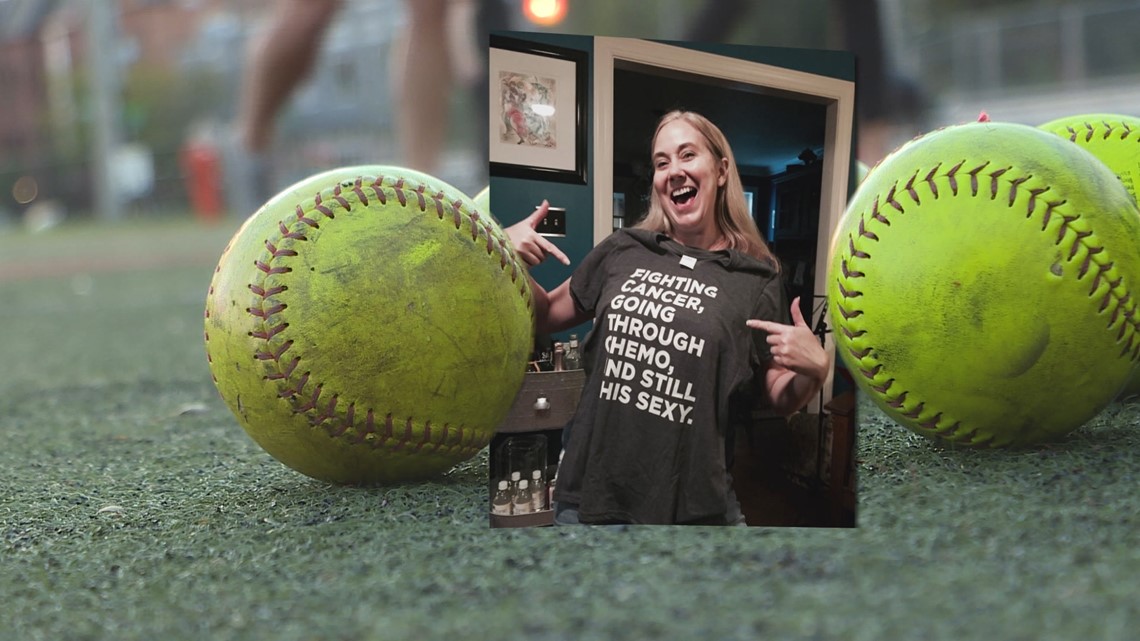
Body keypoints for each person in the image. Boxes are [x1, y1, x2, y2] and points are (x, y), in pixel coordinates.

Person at [506, 110, 832, 526]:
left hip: (692, 507)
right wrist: (505, 253)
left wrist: (814, 372)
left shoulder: (755, 278)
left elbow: (777, 393)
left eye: (687, 155)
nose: (674, 171)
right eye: (662, 163)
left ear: (721, 171)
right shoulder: (623, 249)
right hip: (592, 495)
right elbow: (547, 314)